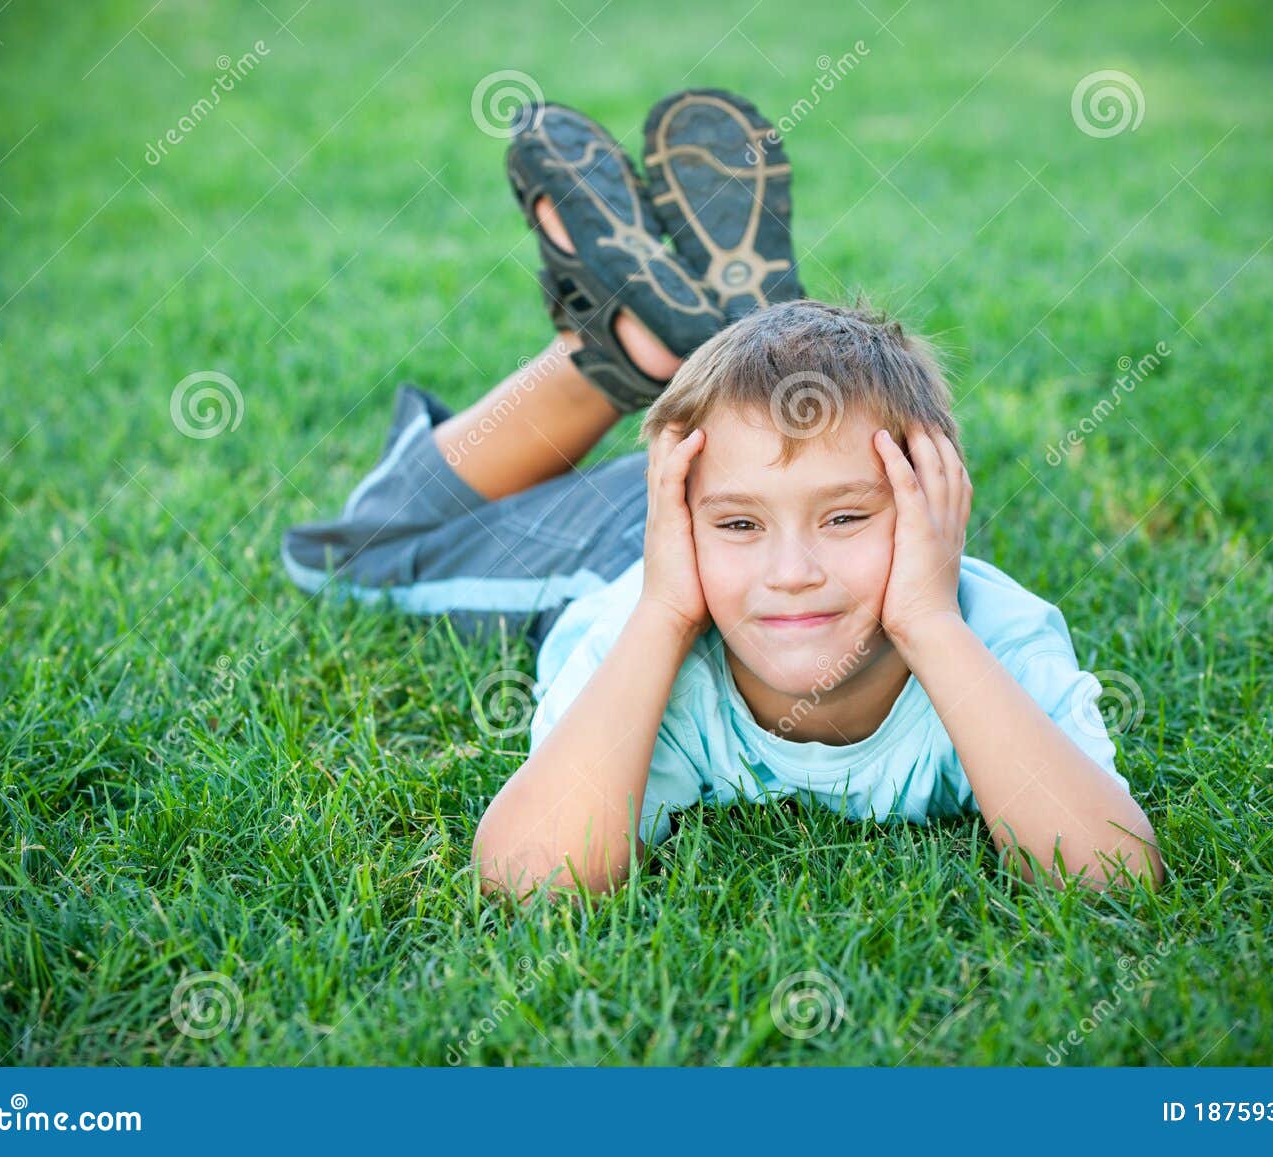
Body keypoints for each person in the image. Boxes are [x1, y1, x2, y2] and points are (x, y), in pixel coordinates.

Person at [281, 89, 1166, 902]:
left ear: (938, 499)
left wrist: (933, 624)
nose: (793, 572)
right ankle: (630, 359)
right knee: (354, 554)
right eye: (754, 528)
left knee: (382, 533)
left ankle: (675, 356)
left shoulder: (991, 631)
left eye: (848, 517)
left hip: (722, 476)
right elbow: (529, 876)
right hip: (656, 534)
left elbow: (1116, 877)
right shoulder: (635, 623)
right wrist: (665, 606)